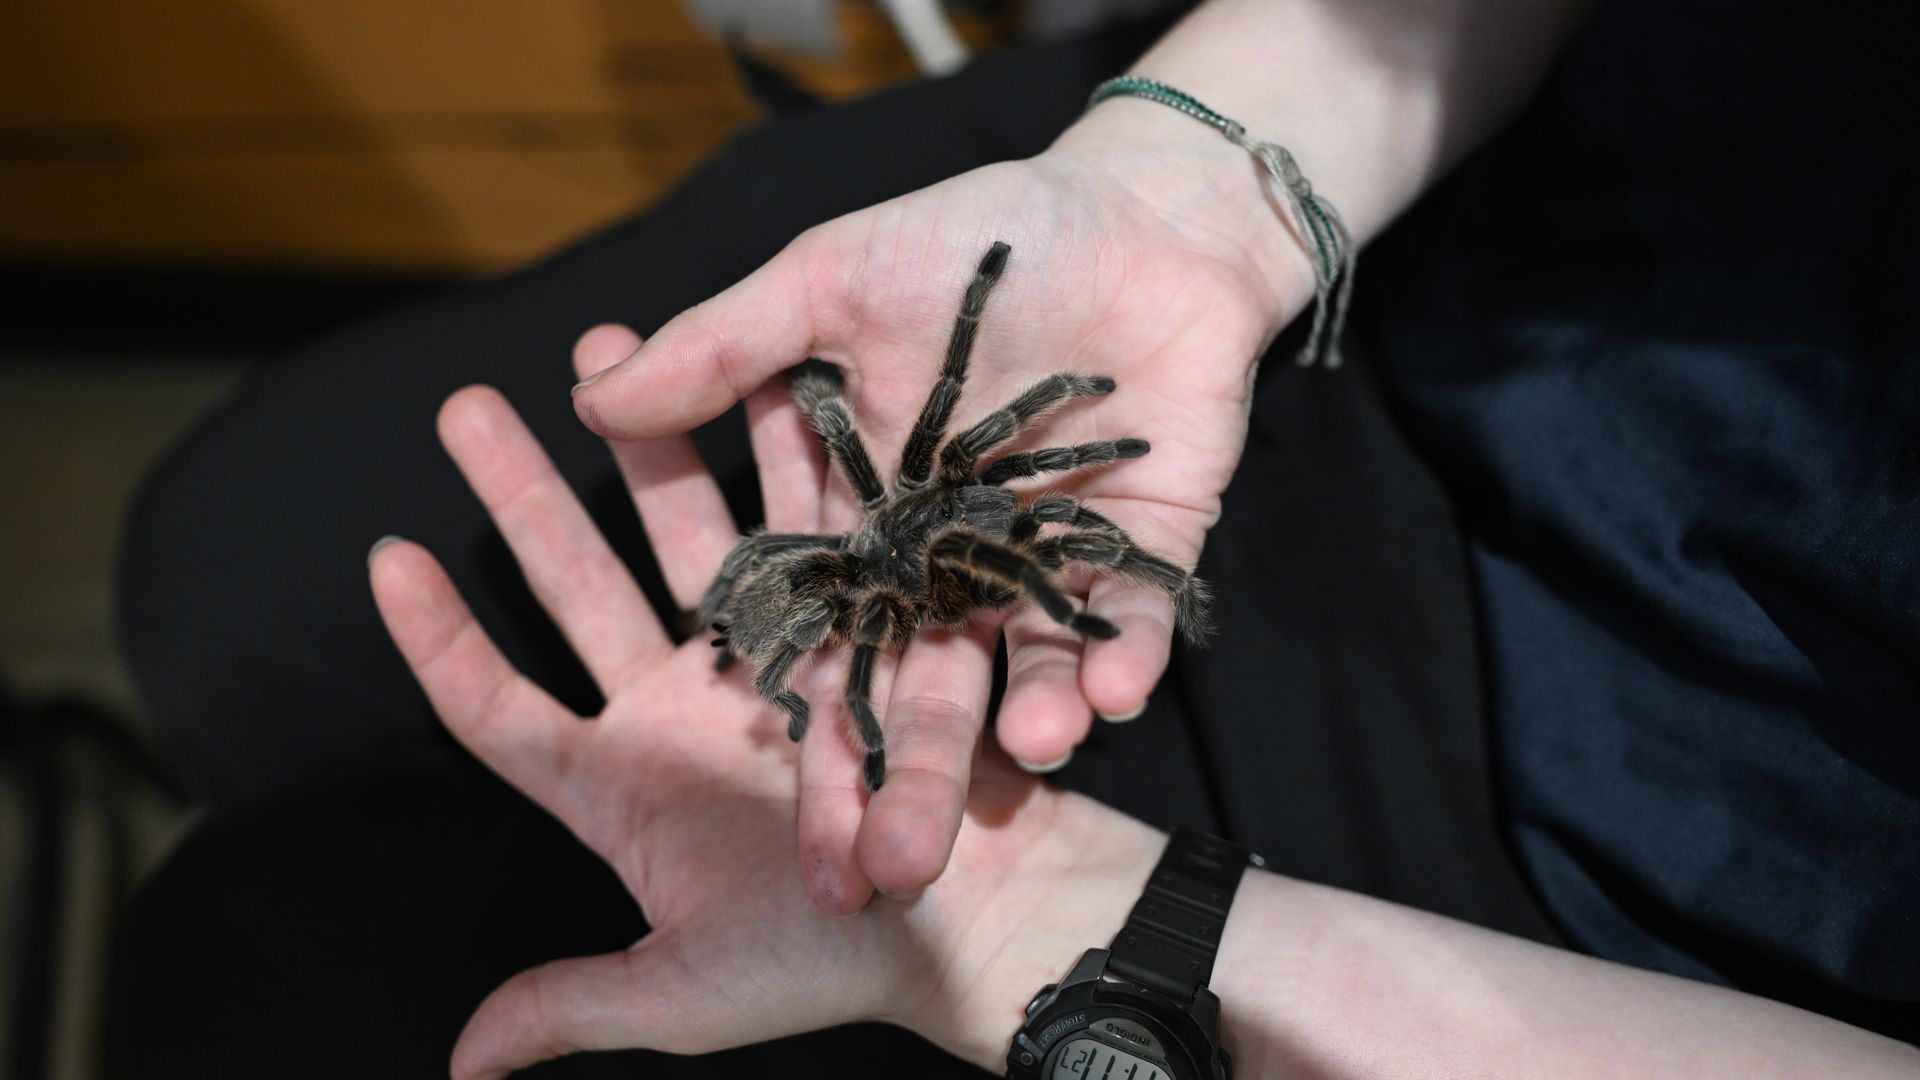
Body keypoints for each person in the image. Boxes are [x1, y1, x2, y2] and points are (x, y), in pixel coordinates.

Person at [110, 0, 1920, 1074]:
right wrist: (1174, 196)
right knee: (217, 583)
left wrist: (1096, 919)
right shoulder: (968, 498)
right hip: (1400, 189)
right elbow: (981, 460)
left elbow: (1022, 543)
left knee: (253, 961)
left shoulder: (990, 551)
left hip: (1561, 947)